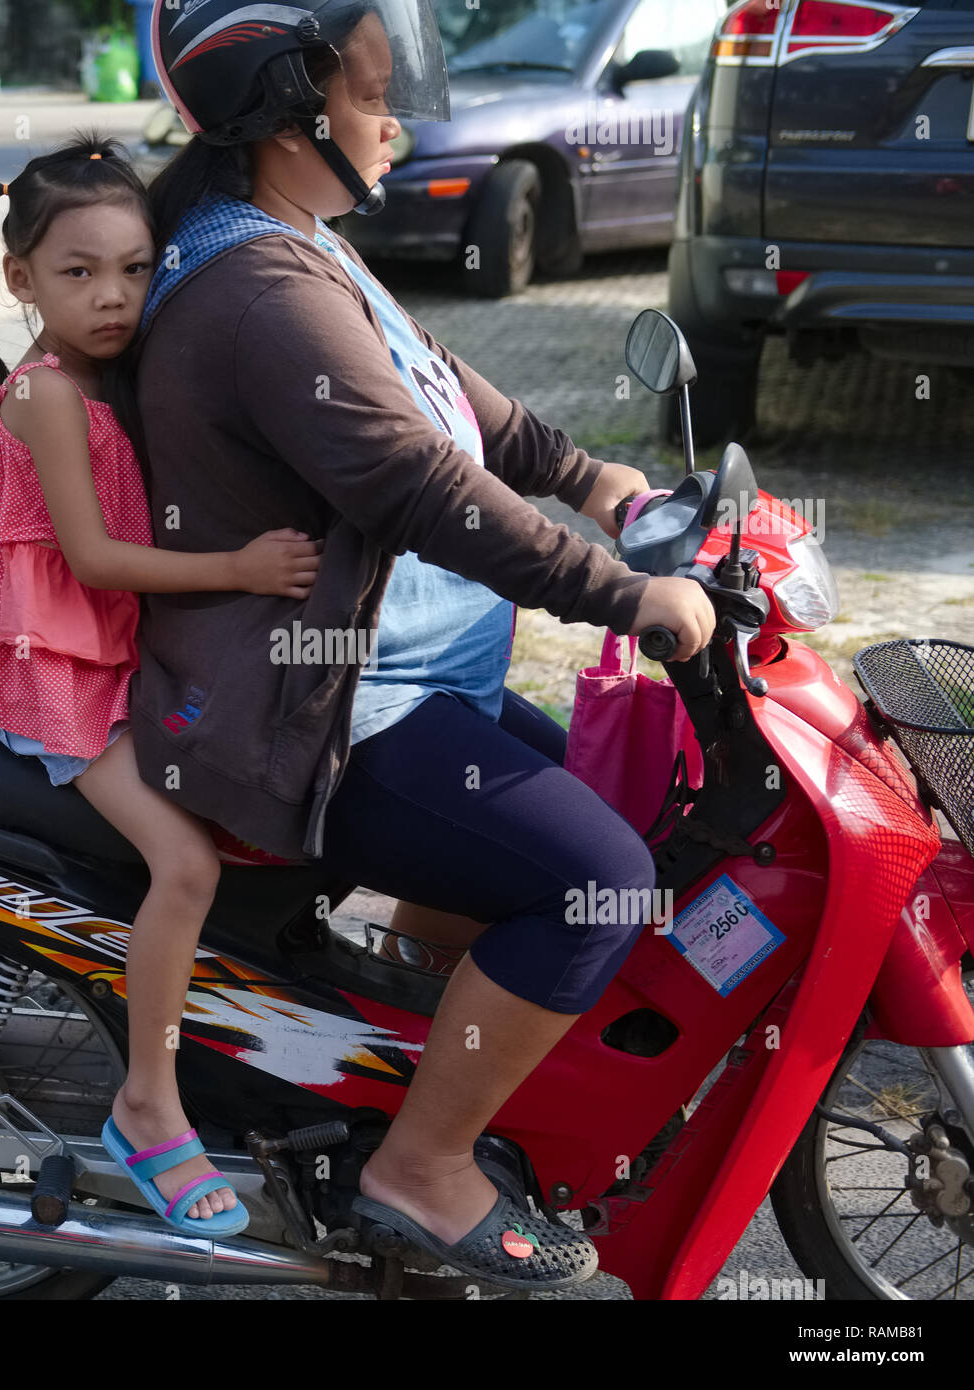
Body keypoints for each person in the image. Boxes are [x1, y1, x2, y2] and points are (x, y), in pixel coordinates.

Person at [129, 0, 716, 1289]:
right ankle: (420, 1165)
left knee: (607, 814)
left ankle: (402, 1062)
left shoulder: (302, 246)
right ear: (292, 114)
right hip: (322, 717)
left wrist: (597, 477)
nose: (402, 123)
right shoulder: (256, 287)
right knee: (597, 879)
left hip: (397, 686)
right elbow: (413, 481)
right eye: (376, 98)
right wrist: (616, 592)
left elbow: (453, 399)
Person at [0, 132, 327, 1234]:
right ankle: (147, 1105)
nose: (111, 295)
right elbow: (96, 559)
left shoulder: (114, 369)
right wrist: (242, 569)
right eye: (77, 274)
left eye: (131, 268)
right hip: (57, 680)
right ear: (21, 281)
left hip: (123, 658)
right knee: (184, 863)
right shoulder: (48, 397)